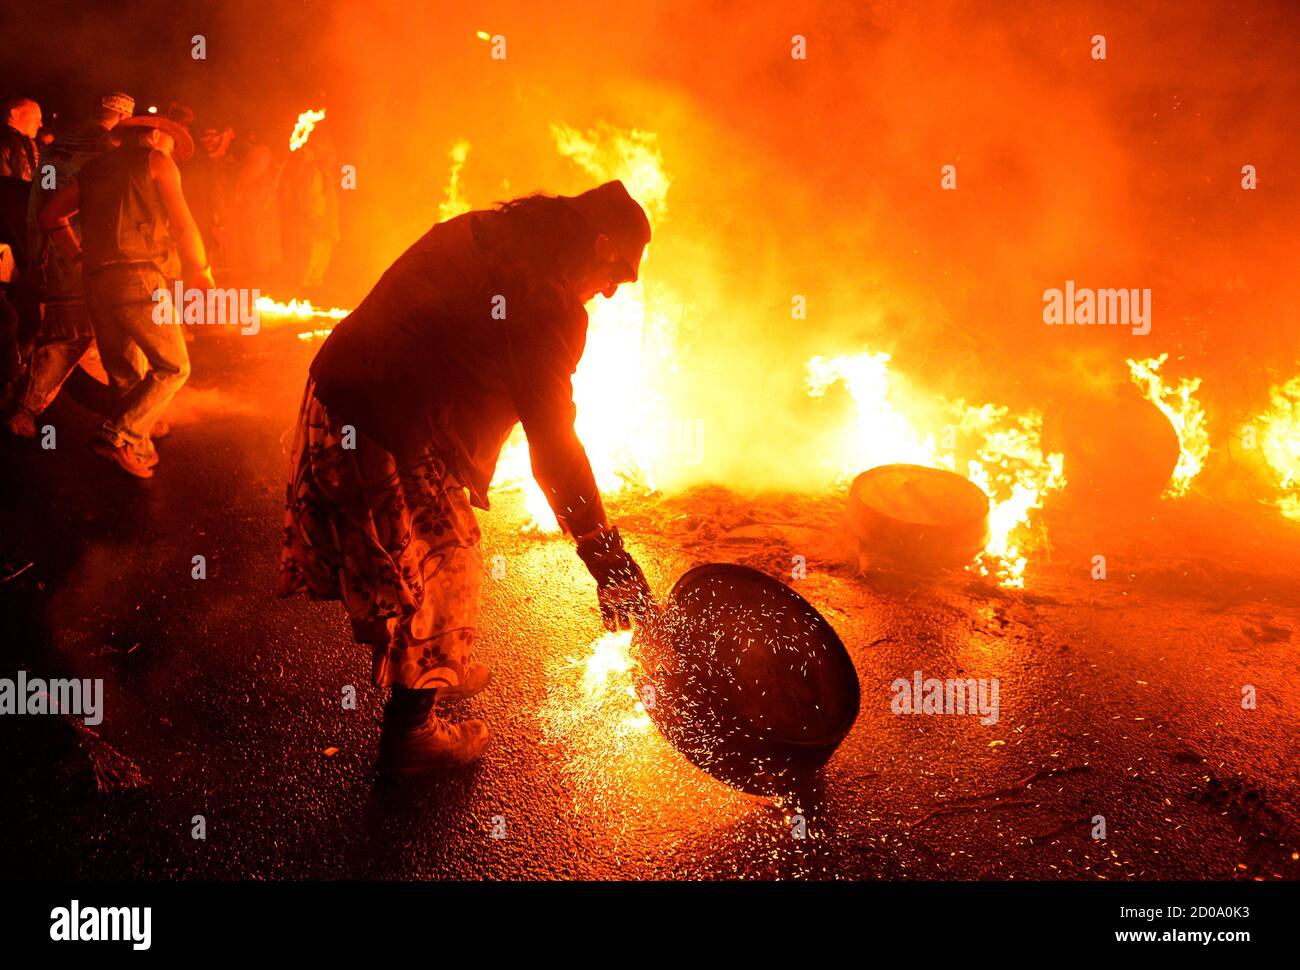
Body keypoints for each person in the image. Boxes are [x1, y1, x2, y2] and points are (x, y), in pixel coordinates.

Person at [277, 180, 655, 775]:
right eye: (617, 275)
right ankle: (412, 734)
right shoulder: (545, 300)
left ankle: (430, 664)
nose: (610, 291)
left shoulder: (484, 230)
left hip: (337, 390)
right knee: (449, 565)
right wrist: (604, 555)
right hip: (383, 423)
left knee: (416, 558)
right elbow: (553, 442)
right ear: (601, 244)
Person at [39, 113, 213, 478]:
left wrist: (77, 256)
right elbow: (182, 221)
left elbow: (52, 214)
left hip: (97, 279)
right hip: (138, 273)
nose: (171, 151)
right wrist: (200, 269)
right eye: (169, 142)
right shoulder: (156, 161)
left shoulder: (93, 169)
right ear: (153, 136)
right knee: (173, 365)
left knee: (125, 372)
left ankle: (138, 445)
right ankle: (117, 434)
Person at [6, 92, 135, 438]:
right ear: (123, 118)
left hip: (52, 251)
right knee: (73, 335)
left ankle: (134, 416)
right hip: (80, 255)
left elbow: (40, 200)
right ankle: (25, 411)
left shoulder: (59, 146)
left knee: (79, 333)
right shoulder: (107, 153)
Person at [0, 97, 42, 404]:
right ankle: (8, 379)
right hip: (7, 236)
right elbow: (12, 196)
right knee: (9, 315)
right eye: (35, 116)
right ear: (14, 115)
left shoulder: (26, 145)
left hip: (16, 236)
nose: (40, 123)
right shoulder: (7, 144)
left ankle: (15, 374)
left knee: (20, 310)